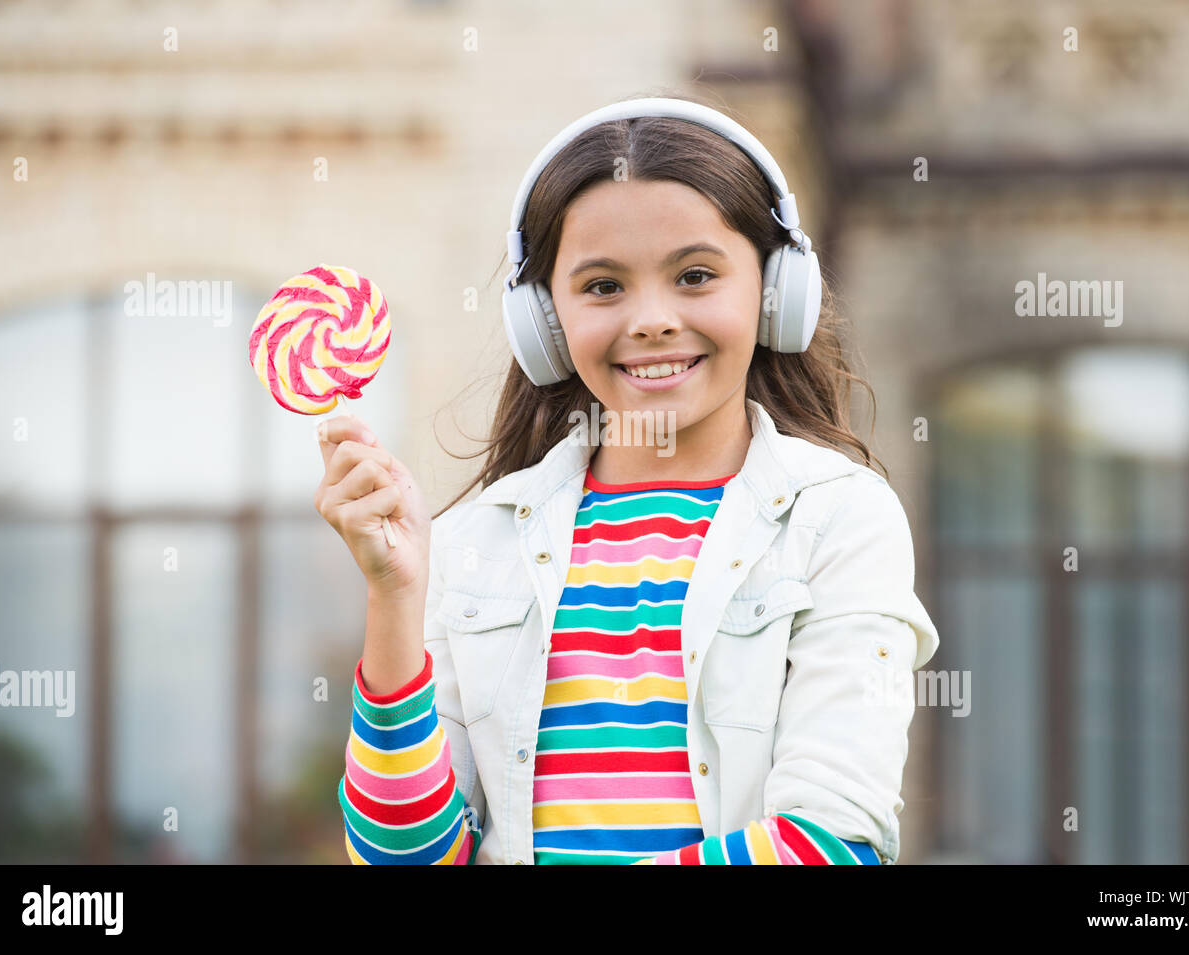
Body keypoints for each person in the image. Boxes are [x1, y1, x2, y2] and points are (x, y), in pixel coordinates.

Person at [317, 91, 941, 865]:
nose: (650, 318)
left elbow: (831, 844)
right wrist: (395, 596)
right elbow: (403, 858)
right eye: (603, 287)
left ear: (776, 293)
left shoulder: (842, 521)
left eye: (695, 275)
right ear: (544, 324)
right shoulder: (471, 543)